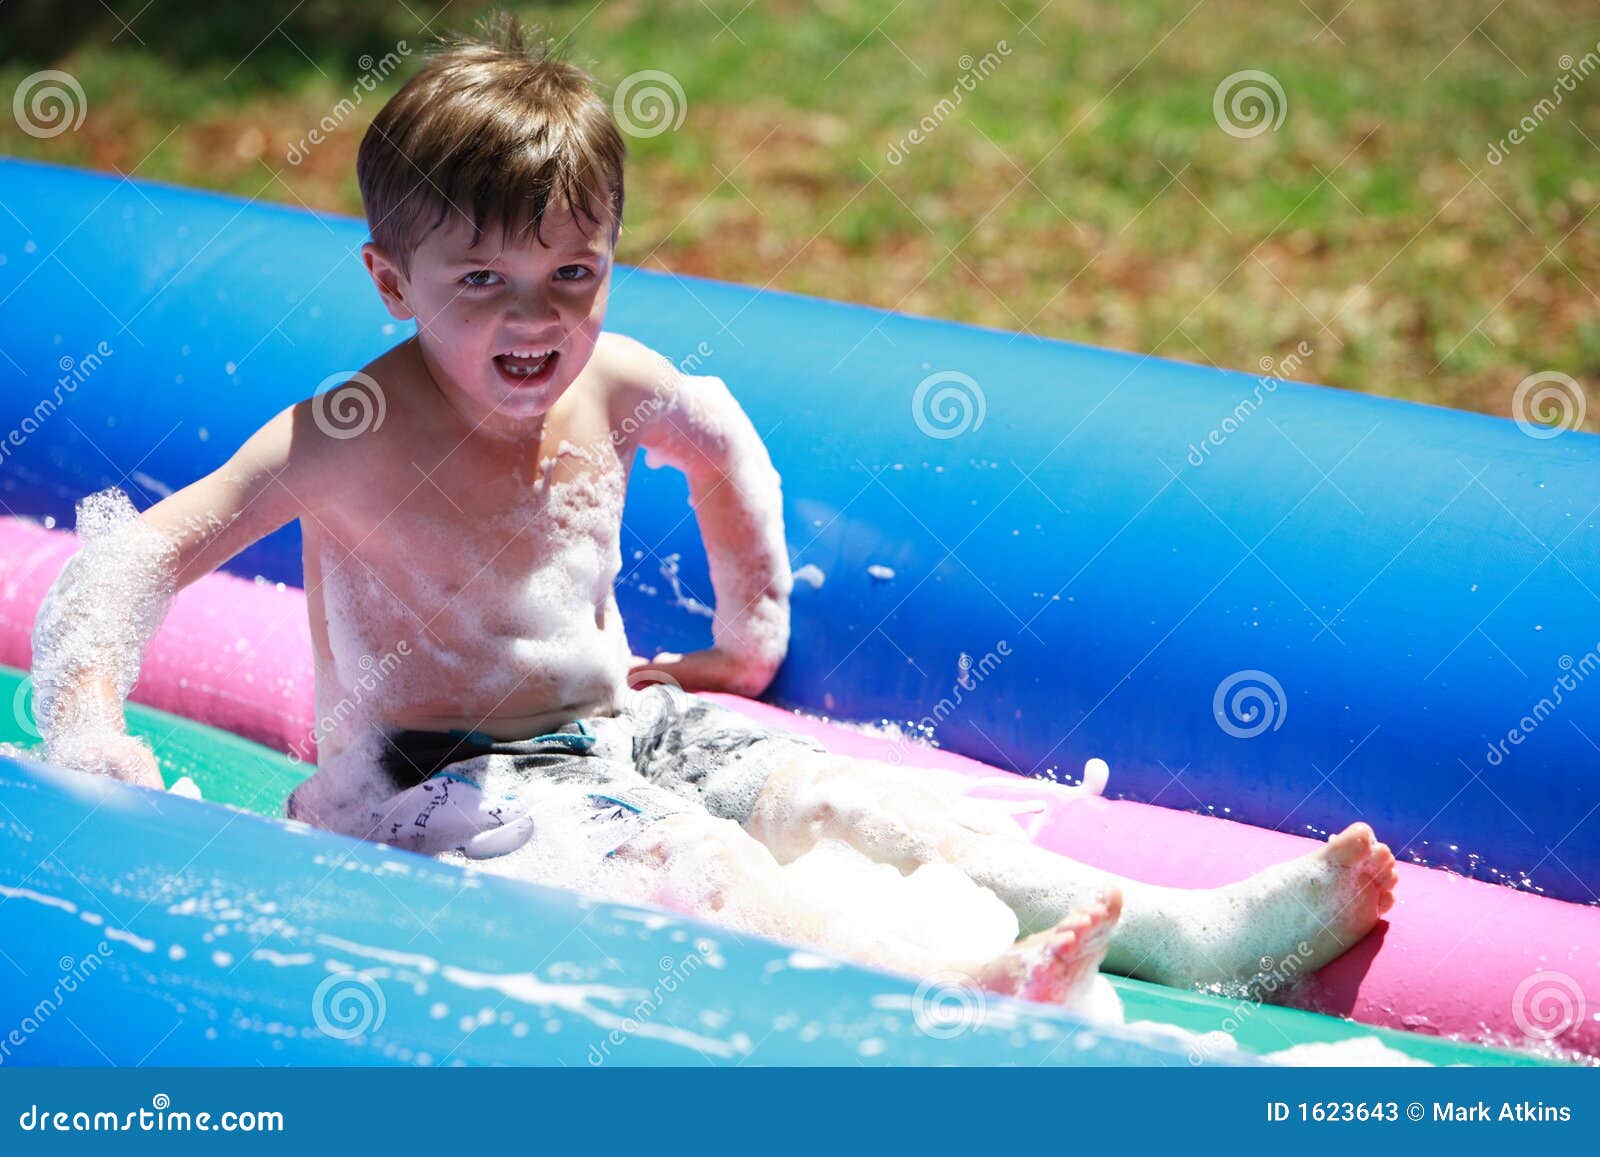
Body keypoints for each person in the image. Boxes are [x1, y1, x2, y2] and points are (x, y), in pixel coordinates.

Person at [30, 14, 1395, 1010]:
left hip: (614, 722)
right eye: (483, 280)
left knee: (844, 797)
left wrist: (751, 630)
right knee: (683, 859)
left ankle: (1189, 935)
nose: (535, 318)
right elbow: (146, 552)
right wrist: (91, 728)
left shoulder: (612, 379)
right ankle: (952, 987)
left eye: (573, 272)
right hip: (433, 781)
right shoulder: (356, 430)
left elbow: (722, 435)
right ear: (393, 282)